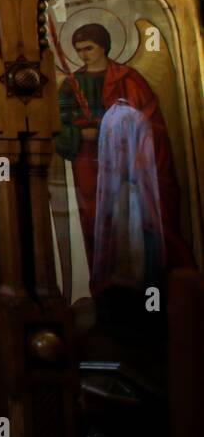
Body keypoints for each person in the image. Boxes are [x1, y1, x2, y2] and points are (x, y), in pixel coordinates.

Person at [55, 22, 193, 296]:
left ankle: (152, 285)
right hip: (89, 163)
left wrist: (116, 129)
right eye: (79, 50)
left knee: (137, 217)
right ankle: (107, 288)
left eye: (89, 48)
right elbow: (58, 124)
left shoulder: (128, 78)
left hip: (130, 162)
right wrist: (82, 133)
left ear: (103, 46)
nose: (84, 55)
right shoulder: (72, 84)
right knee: (97, 219)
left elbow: (151, 120)